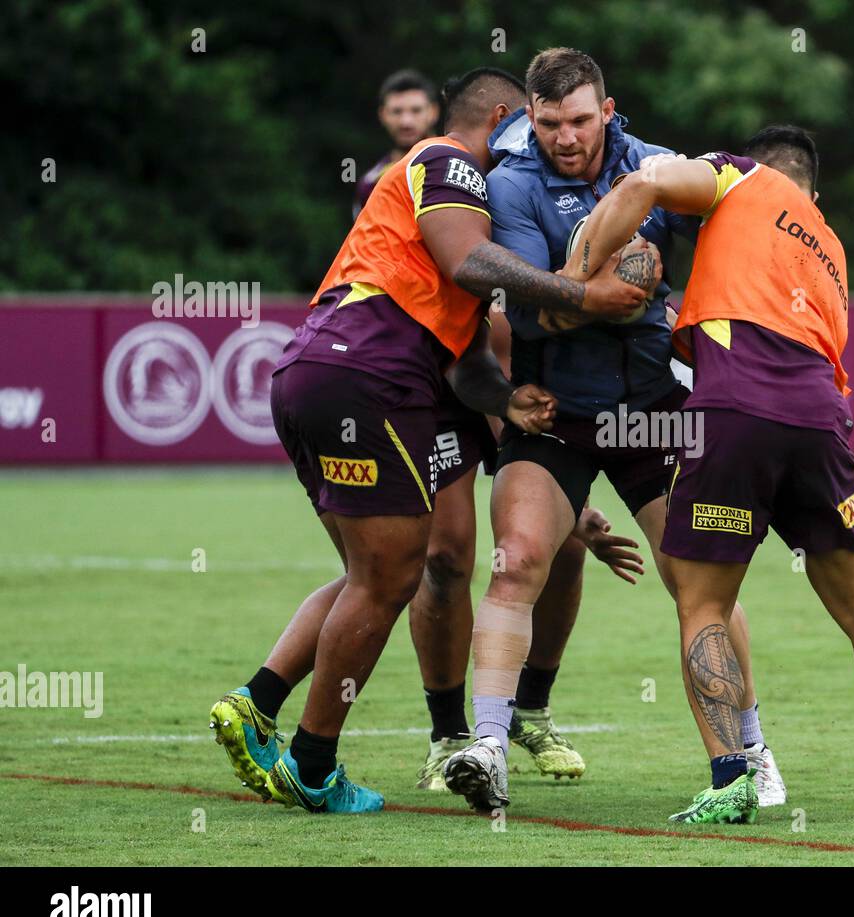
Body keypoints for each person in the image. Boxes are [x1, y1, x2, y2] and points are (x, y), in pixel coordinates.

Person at [209, 67, 654, 813]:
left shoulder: (469, 209)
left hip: (328, 372)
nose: (547, 146)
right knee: (388, 579)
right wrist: (583, 294)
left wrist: (512, 403)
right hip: (367, 372)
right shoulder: (448, 160)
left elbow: (466, 362)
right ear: (510, 120)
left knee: (378, 572)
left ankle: (258, 703)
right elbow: (466, 263)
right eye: (538, 128)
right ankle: (314, 766)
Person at [563, 125, 854, 823]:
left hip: (735, 409)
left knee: (702, 602)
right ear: (813, 190)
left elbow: (643, 185)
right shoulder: (830, 246)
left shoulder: (737, 177)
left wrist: (575, 277)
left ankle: (731, 777)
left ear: (758, 168)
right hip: (820, 416)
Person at [444, 48, 785, 812]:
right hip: (552, 411)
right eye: (550, 122)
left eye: (580, 119)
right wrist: (616, 290)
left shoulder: (659, 165)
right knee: (516, 561)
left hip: (653, 408)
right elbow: (542, 306)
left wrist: (673, 302)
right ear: (530, 117)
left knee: (702, 584)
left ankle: (752, 749)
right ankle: (489, 745)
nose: (567, 137)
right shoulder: (510, 184)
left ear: (608, 108)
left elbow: (736, 239)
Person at [354, 69, 440, 219]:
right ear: (382, 115)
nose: (406, 121)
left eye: (416, 110)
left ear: (433, 112)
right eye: (396, 111)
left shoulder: (457, 164)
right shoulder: (371, 183)